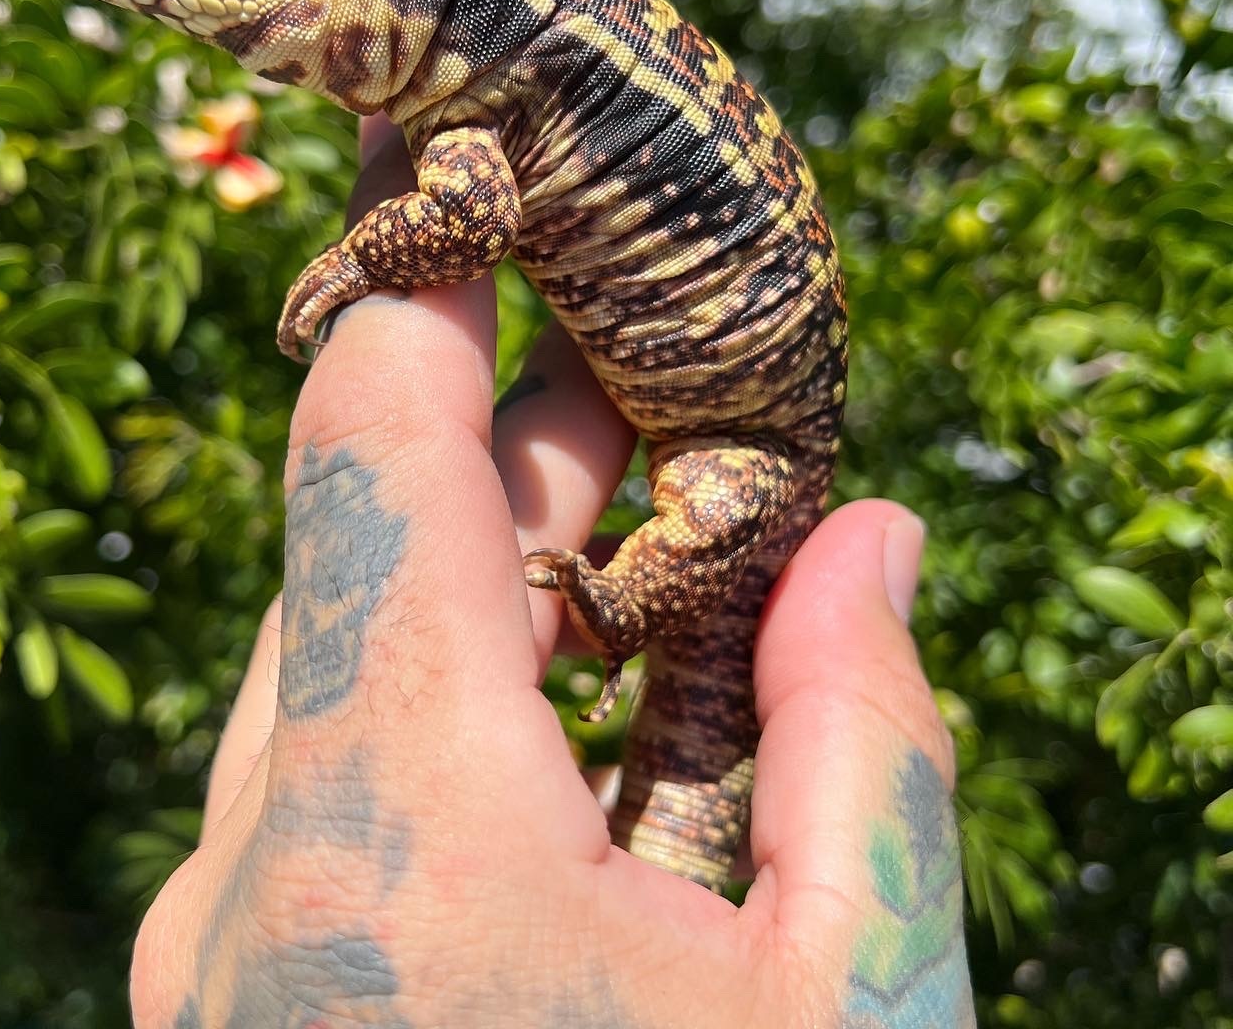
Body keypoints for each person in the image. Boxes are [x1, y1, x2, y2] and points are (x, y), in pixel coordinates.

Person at [130, 118, 976, 1028]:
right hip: (725, 409)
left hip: (749, 452)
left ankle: (619, 614)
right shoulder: (495, 75)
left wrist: (367, 253)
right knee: (671, 835)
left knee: (702, 553)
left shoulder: (482, 88)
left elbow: (474, 214)